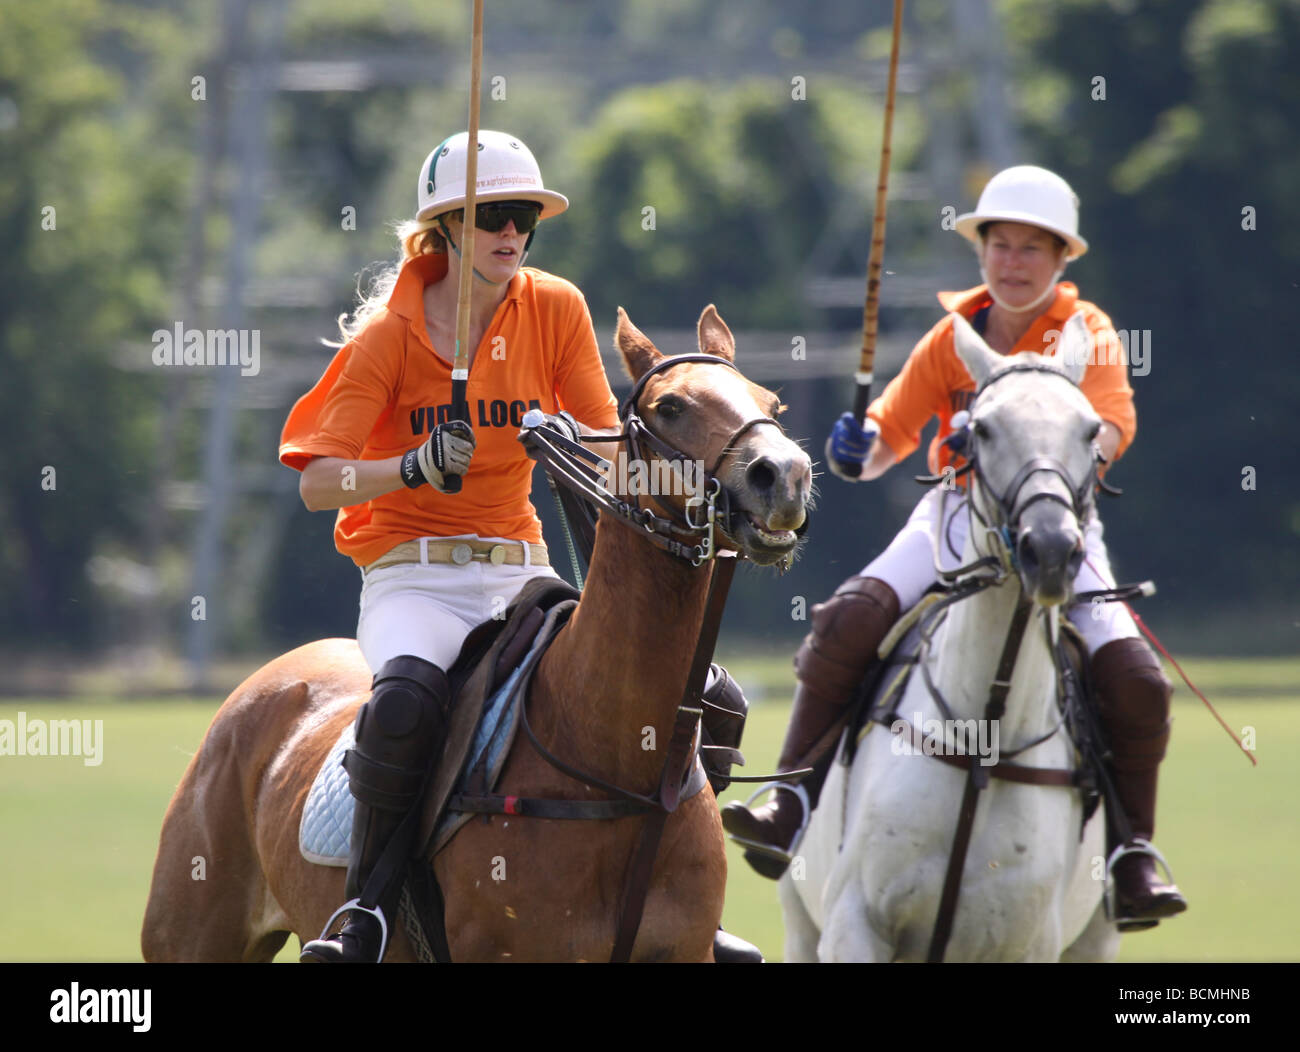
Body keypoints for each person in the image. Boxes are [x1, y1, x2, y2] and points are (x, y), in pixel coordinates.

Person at [281, 130, 760, 963]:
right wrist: (412, 465)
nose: (514, 232)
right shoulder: (388, 339)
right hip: (414, 581)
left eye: (526, 218)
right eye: (494, 215)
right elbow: (318, 481)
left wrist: (690, 480)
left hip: (521, 571)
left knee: (706, 697)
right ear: (448, 228)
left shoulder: (555, 307)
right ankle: (367, 914)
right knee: (402, 707)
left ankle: (682, 900)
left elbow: (607, 447)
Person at [721, 165, 1187, 930]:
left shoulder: (1089, 333)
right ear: (982, 251)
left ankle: (1131, 855)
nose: (1011, 262)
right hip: (955, 521)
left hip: (1058, 524)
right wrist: (856, 446)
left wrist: (1041, 455)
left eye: (1031, 249)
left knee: (1137, 675)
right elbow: (889, 435)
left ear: (1062, 260)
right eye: (999, 245)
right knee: (845, 619)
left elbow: (1111, 427)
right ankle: (793, 798)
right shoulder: (952, 336)